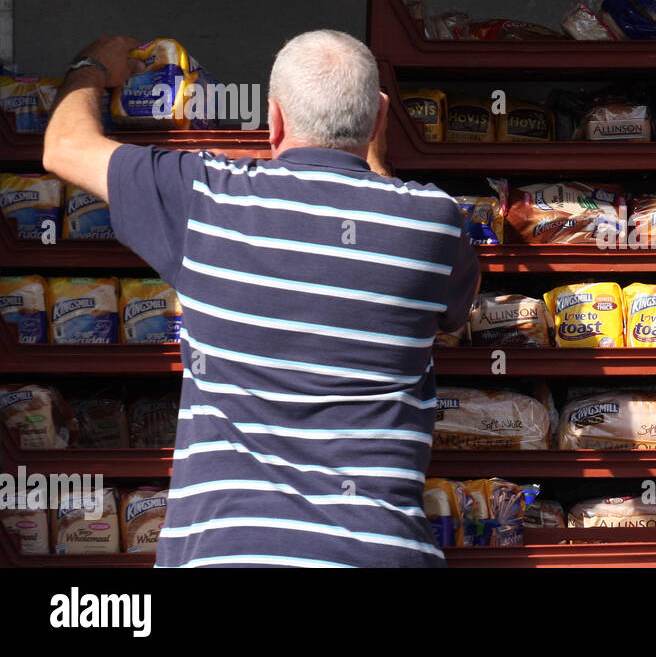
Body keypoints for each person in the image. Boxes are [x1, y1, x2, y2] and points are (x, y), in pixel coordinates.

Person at [44, 30, 479, 567]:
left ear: (271, 120)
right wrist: (378, 166)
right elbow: (454, 312)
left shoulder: (204, 196)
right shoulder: (432, 221)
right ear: (378, 121)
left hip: (227, 556)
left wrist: (92, 66)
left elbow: (63, 147)